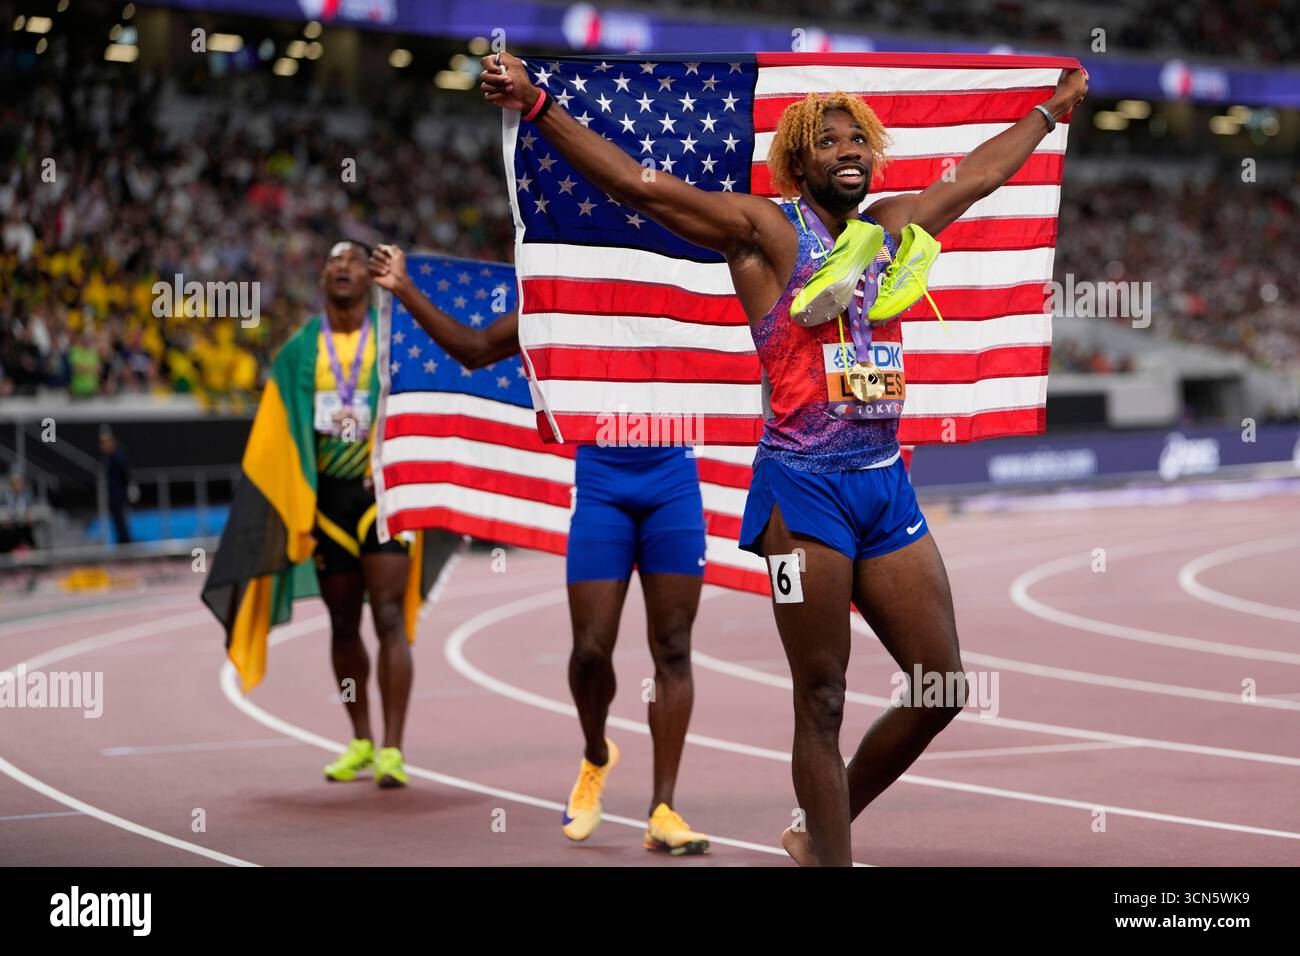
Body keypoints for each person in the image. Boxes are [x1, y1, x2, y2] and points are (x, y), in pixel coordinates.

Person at [481, 52, 1087, 865]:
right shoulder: (767, 231)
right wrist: (539, 104)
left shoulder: (894, 228)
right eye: (830, 142)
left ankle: (816, 832)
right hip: (801, 494)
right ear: (800, 162)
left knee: (942, 686)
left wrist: (1052, 112)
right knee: (823, 699)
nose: (849, 152)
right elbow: (642, 187)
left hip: (883, 484)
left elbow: (976, 178)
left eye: (859, 142)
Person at [370, 245, 711, 856]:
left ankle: (664, 808)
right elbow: (475, 349)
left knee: (673, 647)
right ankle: (595, 752)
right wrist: (403, 287)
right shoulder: (567, 302)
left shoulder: (687, 286)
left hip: (673, 480)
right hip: (604, 483)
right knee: (589, 650)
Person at [203, 240, 458, 789]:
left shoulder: (393, 341)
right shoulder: (299, 351)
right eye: (332, 261)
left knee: (388, 617)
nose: (341, 267)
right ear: (321, 279)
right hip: (327, 505)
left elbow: (429, 396)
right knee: (343, 623)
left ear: (370, 278)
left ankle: (393, 748)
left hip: (381, 500)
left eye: (352, 261)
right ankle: (360, 738)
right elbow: (277, 433)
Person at [99, 426, 132, 545]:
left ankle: (126, 542)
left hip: (119, 495)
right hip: (113, 495)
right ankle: (122, 541)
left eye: (106, 443)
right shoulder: (108, 457)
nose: (103, 446)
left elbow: (125, 475)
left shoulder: (118, 456)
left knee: (122, 520)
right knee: (117, 521)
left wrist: (126, 490)